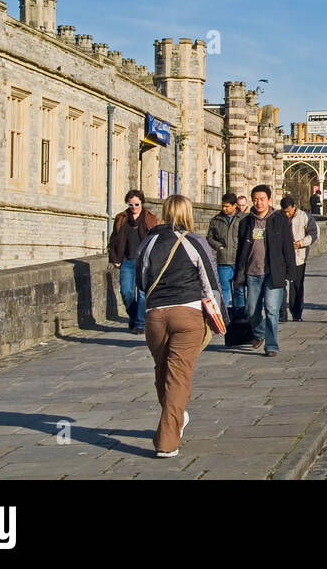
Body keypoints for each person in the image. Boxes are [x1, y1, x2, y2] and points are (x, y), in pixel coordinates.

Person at [134, 194, 223, 458]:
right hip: (187, 314)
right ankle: (167, 441)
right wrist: (220, 317)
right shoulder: (195, 241)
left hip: (156, 314)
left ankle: (175, 418)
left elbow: (141, 279)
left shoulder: (148, 242)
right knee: (178, 376)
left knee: (163, 372)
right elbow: (210, 281)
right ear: (187, 214)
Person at [232, 184, 296, 355]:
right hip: (252, 272)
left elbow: (287, 245)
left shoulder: (279, 219)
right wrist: (238, 272)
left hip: (272, 272)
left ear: (269, 200)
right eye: (255, 199)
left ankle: (271, 346)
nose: (258, 202)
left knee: (271, 310)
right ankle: (260, 333)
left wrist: (291, 270)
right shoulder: (246, 221)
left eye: (262, 199)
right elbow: (241, 249)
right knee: (251, 310)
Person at [108, 189, 159, 333]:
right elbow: (114, 239)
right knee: (126, 292)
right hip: (127, 260)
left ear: (142, 203)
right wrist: (115, 258)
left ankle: (140, 323)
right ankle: (134, 315)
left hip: (145, 261)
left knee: (143, 293)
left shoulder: (150, 218)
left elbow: (156, 240)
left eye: (136, 204)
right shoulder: (121, 218)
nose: (134, 208)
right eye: (131, 205)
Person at [280, 195, 319, 321]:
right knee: (280, 285)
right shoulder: (278, 217)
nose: (287, 214)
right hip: (282, 256)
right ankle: (282, 314)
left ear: (294, 207)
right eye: (284, 211)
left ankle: (296, 313)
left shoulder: (304, 217)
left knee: (297, 285)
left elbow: (314, 234)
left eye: (289, 211)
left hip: (299, 256)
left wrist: (301, 243)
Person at [206, 193, 239, 319]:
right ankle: (222, 315)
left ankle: (240, 313)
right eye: (223, 206)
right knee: (224, 289)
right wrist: (218, 246)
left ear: (234, 206)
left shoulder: (243, 219)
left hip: (238, 260)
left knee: (239, 290)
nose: (224, 209)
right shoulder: (216, 220)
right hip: (223, 260)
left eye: (227, 206)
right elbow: (210, 237)